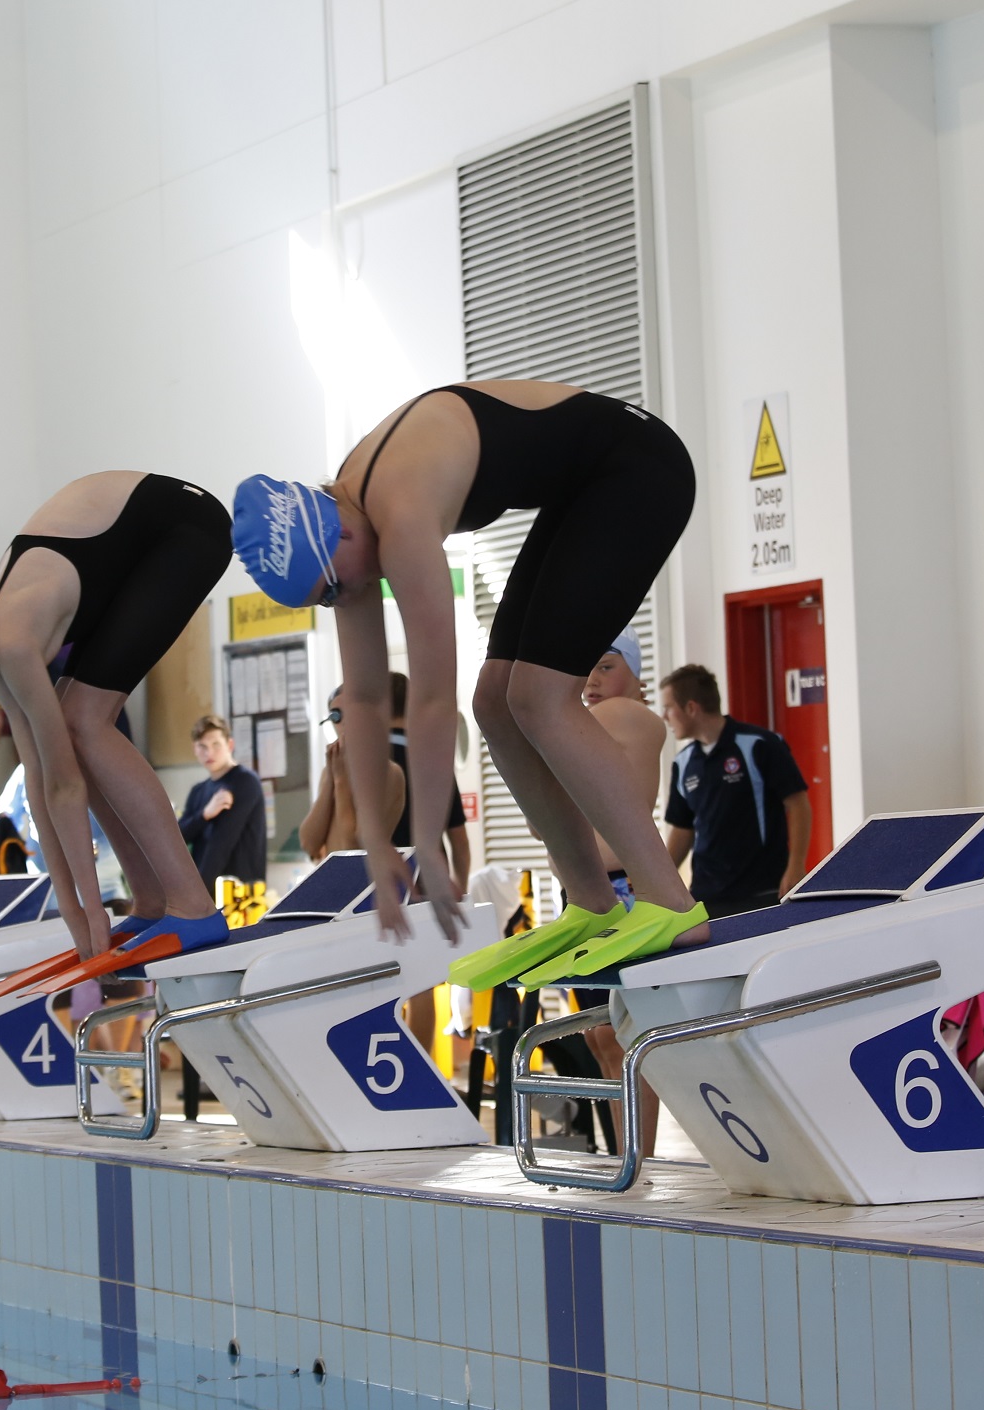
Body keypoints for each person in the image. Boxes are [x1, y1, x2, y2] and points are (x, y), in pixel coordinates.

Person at [235, 380, 700, 984]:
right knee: (494, 701)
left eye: (332, 591)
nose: (341, 602)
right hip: (584, 489)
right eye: (325, 600)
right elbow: (367, 699)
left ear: (338, 535)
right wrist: (376, 841)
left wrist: (427, 839)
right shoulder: (340, 525)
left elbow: (429, 697)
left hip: (640, 470)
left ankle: (671, 903)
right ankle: (591, 902)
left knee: (537, 695)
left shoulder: (398, 517)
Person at [0, 473, 233, 962]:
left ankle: (191, 904)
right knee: (77, 724)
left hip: (188, 527)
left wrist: (90, 906)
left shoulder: (12, 639)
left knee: (84, 721)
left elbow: (65, 787)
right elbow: (39, 780)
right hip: (152, 533)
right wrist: (75, 910)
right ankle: (152, 899)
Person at [573, 628, 673, 1156]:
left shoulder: (630, 718)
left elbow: (539, 728)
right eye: (585, 666)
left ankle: (640, 1155)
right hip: (592, 897)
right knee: (601, 1040)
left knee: (624, 1038)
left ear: (635, 673)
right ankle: (626, 1154)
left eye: (606, 666)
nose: (590, 678)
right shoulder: (591, 722)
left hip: (621, 898)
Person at [658, 664, 814, 919]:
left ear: (691, 708)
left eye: (667, 707)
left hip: (763, 890)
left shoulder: (760, 745)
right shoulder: (683, 762)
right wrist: (657, 882)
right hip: (707, 895)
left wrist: (796, 865)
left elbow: (798, 804)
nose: (664, 717)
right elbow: (682, 829)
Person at [388, 671, 472, 888]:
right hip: (431, 881)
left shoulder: (368, 764)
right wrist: (461, 889)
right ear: (411, 705)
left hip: (383, 881)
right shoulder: (432, 762)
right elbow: (459, 840)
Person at [301, 688, 405, 859]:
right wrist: (331, 780)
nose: (345, 723)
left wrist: (340, 780)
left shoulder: (387, 773)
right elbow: (308, 843)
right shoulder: (330, 772)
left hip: (367, 881)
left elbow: (354, 847)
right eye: (336, 716)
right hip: (335, 881)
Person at [178, 714, 265, 892]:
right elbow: (177, 837)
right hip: (207, 894)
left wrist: (196, 895)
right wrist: (205, 815)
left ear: (230, 745)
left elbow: (221, 844)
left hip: (240, 896)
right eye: (202, 746)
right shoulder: (198, 791)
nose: (209, 753)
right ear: (195, 749)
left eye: (216, 744)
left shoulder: (245, 782)